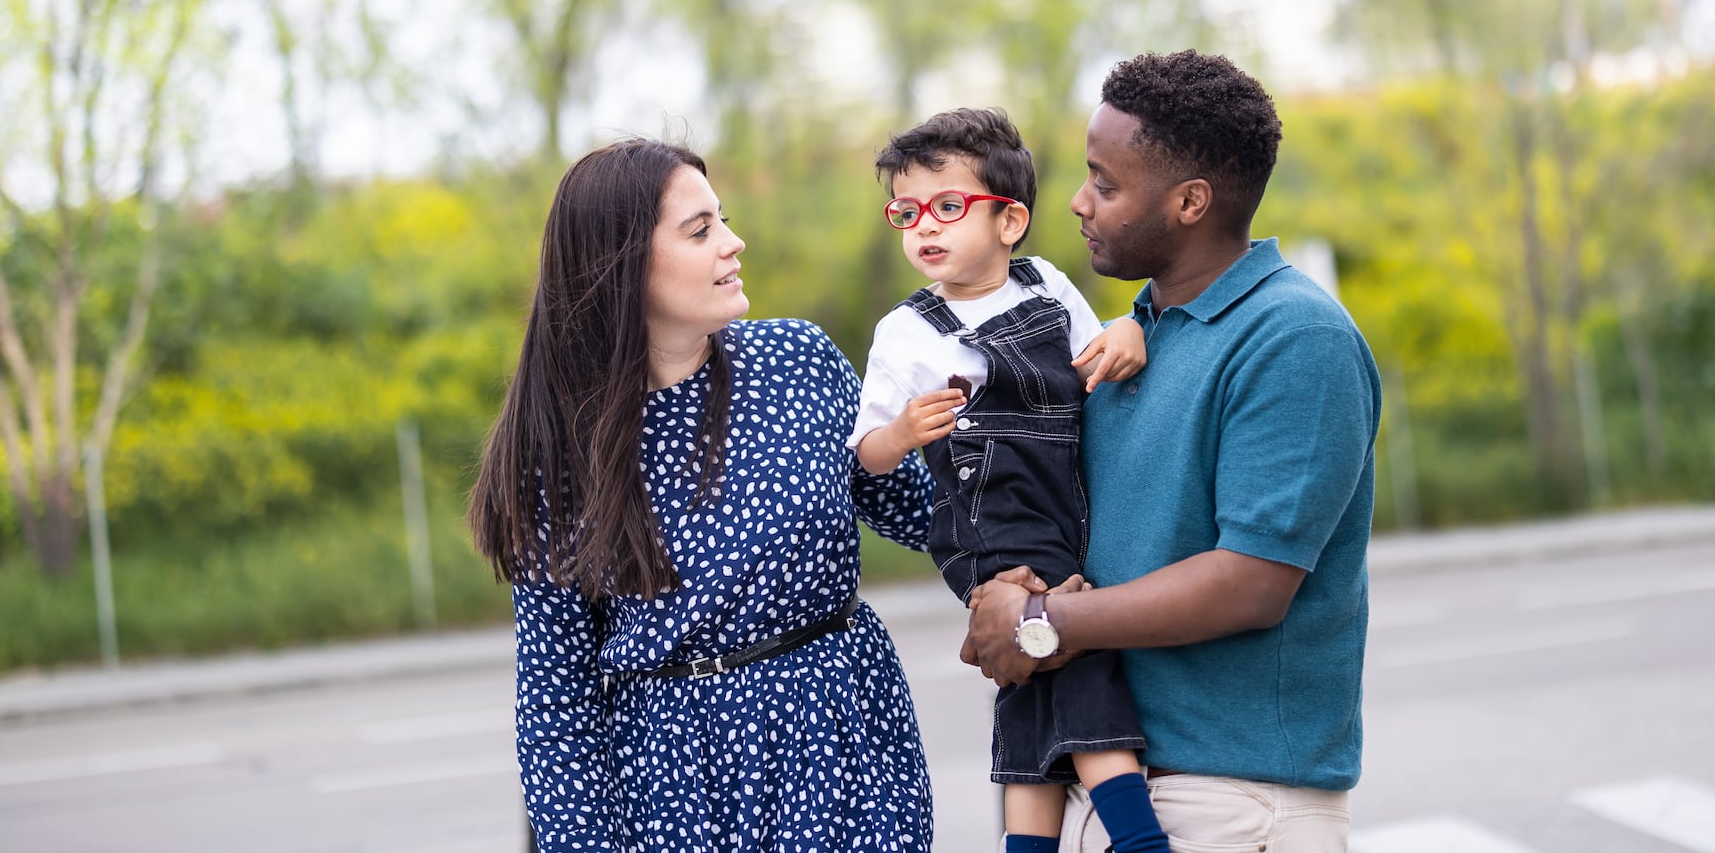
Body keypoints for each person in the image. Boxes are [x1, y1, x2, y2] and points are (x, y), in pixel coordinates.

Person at [962, 51, 1381, 853]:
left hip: (1233, 802)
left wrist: (1043, 622)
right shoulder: (1130, 338)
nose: (1080, 202)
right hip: (1111, 785)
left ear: (1191, 201)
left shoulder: (1295, 337)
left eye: (1106, 183)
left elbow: (1249, 583)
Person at [469, 138, 936, 852]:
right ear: (623, 264)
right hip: (675, 788)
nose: (733, 242)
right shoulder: (560, 453)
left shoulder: (798, 360)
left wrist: (1039, 592)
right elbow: (556, 704)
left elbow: (922, 509)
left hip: (842, 744)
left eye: (722, 219)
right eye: (701, 230)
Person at [849, 108, 1169, 853]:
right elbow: (865, 454)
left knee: (1032, 677)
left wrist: (1129, 330)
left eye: (948, 206)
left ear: (1010, 219)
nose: (924, 226)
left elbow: (1098, 361)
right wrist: (901, 433)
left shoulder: (1046, 285)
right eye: (906, 212)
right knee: (1074, 653)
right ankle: (1138, 837)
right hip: (989, 521)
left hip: (1063, 505)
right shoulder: (906, 331)